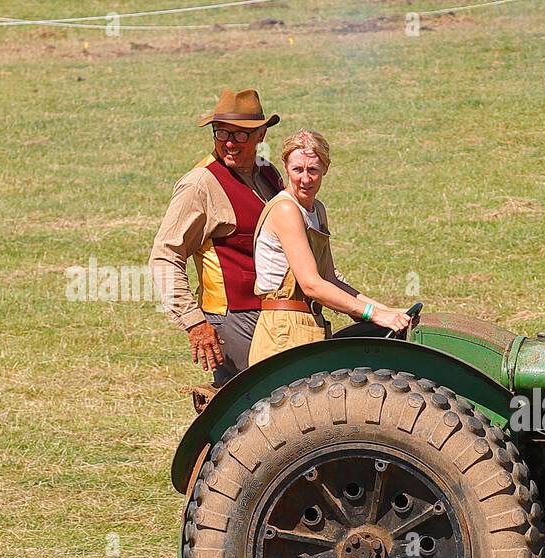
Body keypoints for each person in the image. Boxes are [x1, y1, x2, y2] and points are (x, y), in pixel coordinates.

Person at [150, 88, 283, 397]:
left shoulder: (268, 173)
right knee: (263, 405)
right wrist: (194, 322)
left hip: (277, 313)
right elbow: (165, 255)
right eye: (220, 133)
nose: (228, 143)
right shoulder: (199, 184)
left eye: (239, 135)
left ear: (261, 134)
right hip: (233, 319)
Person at [249, 130, 410, 364]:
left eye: (313, 170)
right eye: (297, 170)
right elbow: (312, 285)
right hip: (283, 330)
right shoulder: (286, 210)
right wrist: (372, 314)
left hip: (309, 322)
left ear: (325, 168)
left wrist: (388, 312)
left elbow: (329, 279)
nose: (305, 179)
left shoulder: (317, 210)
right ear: (285, 167)